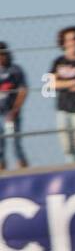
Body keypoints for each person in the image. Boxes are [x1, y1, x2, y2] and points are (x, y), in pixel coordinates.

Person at [51, 26, 75, 162]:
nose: (74, 42)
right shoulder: (57, 62)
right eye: (70, 39)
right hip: (62, 108)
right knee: (66, 146)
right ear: (64, 42)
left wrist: (61, 82)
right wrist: (71, 83)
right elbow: (49, 85)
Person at [0, 42, 28, 171]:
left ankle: (23, 170)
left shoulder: (15, 70)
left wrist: (15, 109)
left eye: (3, 53)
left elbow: (23, 90)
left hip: (11, 111)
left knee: (16, 143)